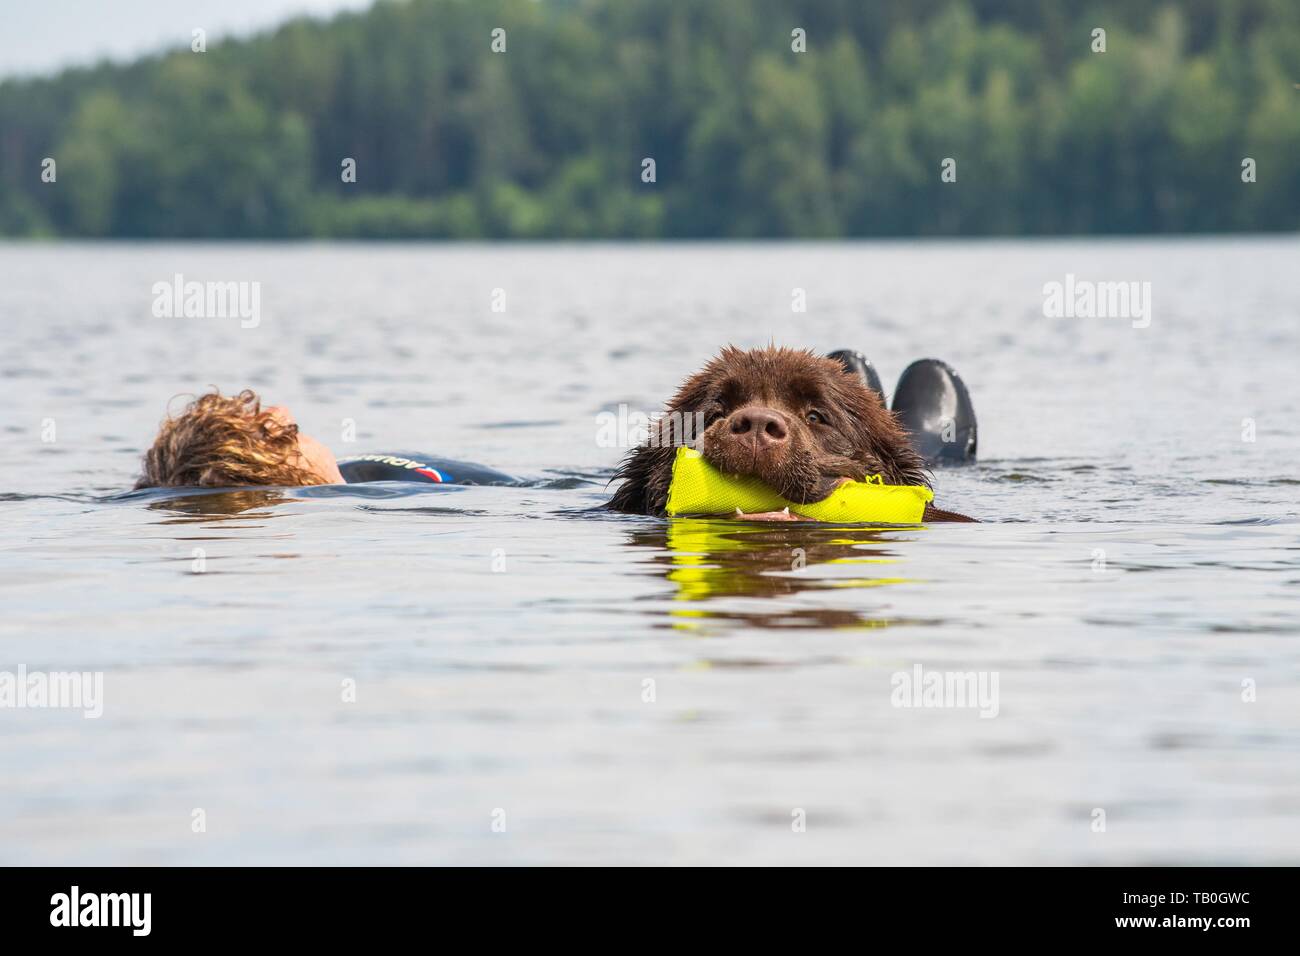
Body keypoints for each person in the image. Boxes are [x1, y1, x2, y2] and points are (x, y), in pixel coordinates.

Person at [133, 389, 513, 489]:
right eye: (275, 432)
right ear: (275, 466)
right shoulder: (387, 504)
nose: (285, 411)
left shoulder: (357, 483)